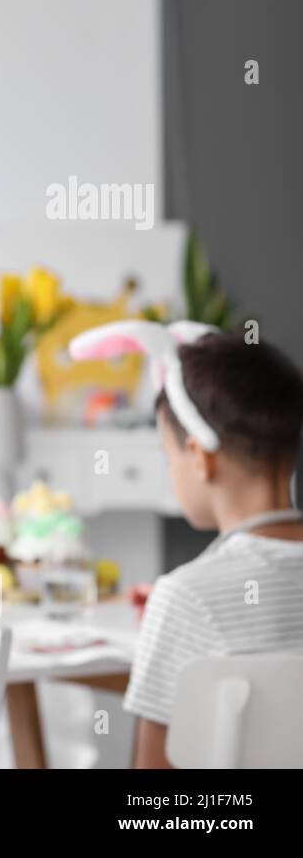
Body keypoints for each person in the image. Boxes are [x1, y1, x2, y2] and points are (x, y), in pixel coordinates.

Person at [70, 321, 303, 768]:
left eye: (167, 453)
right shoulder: (184, 599)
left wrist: (175, 611)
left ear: (199, 457)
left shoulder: (186, 598)